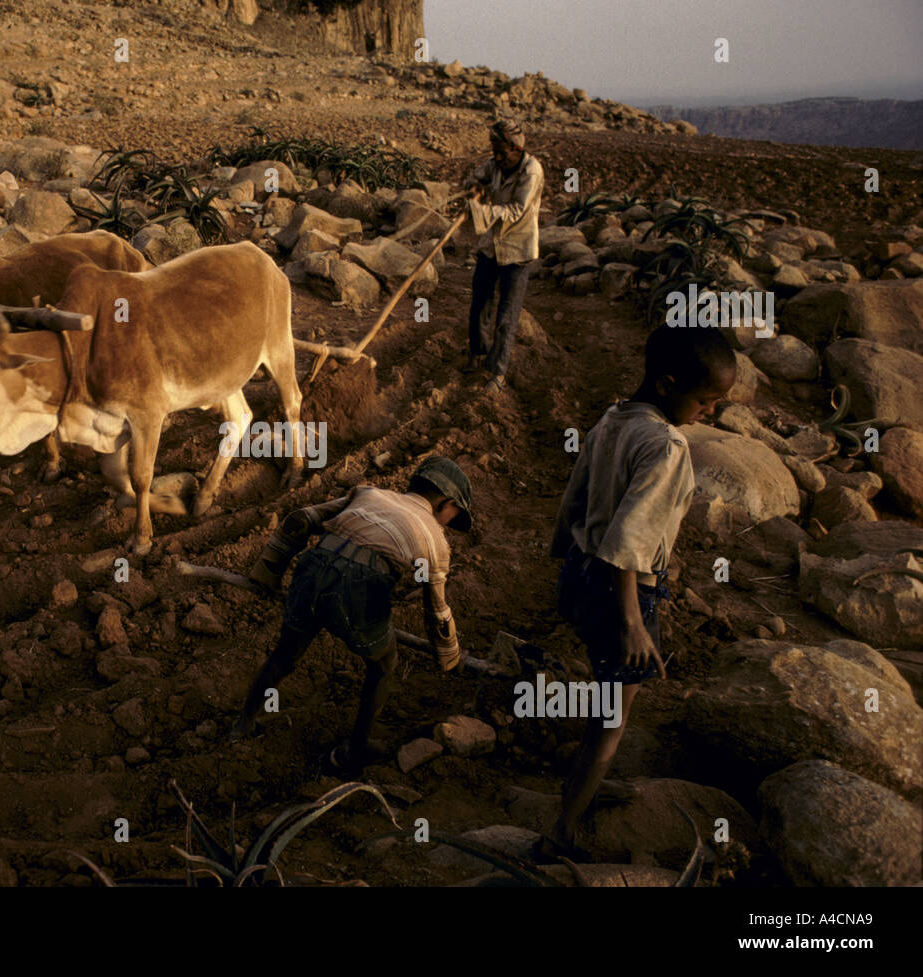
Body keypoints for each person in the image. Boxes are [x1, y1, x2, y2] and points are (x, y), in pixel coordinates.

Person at [539, 324, 736, 861]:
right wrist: (632, 622)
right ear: (669, 384)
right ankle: (562, 831)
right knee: (611, 721)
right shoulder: (666, 445)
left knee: (606, 696)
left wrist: (567, 561)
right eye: (706, 401)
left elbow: (575, 495)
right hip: (622, 593)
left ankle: (586, 788)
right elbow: (630, 538)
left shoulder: (613, 418)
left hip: (584, 575)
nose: (710, 413)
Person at [230, 457, 474, 775]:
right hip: (359, 585)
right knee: (384, 665)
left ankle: (243, 723)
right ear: (448, 502)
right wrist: (450, 656)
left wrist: (268, 573)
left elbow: (300, 519)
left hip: (314, 566)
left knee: (285, 655)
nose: (449, 524)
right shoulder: (434, 541)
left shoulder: (369, 493)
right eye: (454, 515)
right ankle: (355, 751)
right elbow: (436, 611)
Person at [462, 118, 544, 396]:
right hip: (490, 247)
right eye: (493, 150)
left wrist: (482, 209)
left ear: (516, 149)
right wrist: (474, 189)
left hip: (517, 250)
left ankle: (497, 372)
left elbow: (515, 211)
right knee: (480, 304)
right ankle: (477, 354)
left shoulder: (531, 171)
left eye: (501, 151)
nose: (496, 156)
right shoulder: (494, 163)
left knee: (507, 317)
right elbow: (474, 177)